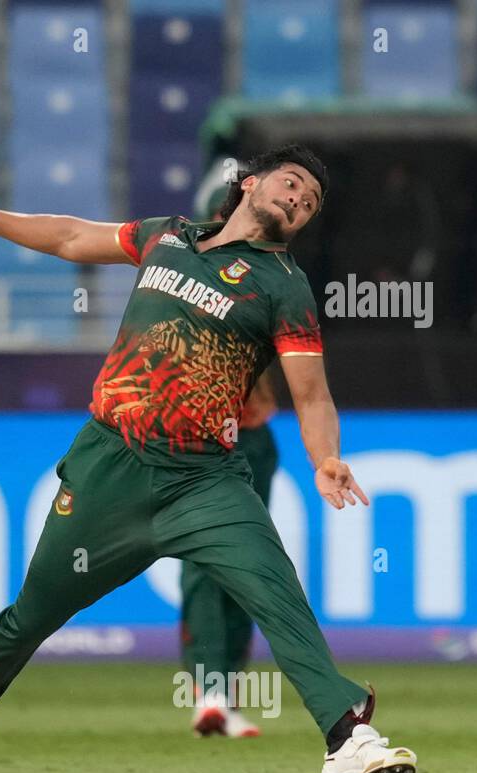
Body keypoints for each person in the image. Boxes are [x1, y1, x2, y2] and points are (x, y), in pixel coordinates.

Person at [0, 145, 417, 773]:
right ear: (251, 183)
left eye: (310, 204)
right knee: (30, 618)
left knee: (277, 593)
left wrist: (326, 459)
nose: (299, 201)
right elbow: (68, 236)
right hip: (108, 474)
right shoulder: (167, 238)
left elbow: (312, 395)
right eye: (292, 185)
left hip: (203, 482)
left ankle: (347, 741)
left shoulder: (284, 287)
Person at [181, 167, 279, 739]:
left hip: (253, 437)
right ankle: (205, 692)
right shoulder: (183, 268)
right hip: (198, 439)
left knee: (245, 566)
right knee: (203, 564)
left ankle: (224, 694)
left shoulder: (273, 271)